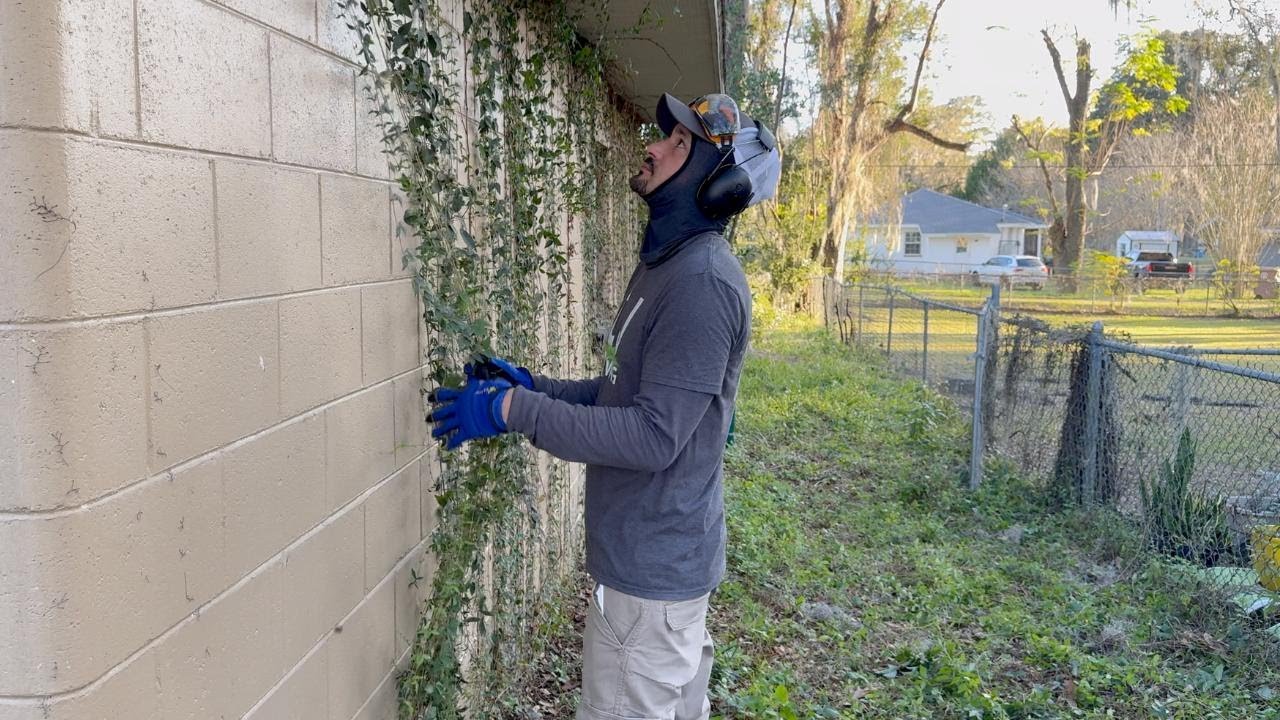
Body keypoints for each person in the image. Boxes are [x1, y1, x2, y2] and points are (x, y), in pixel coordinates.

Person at [428, 92, 780, 720]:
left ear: (719, 185)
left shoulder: (700, 283)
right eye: (665, 134)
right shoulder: (668, 268)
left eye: (680, 144)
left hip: (652, 586)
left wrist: (515, 411)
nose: (654, 144)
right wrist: (536, 387)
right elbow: (624, 393)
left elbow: (651, 437)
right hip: (653, 573)